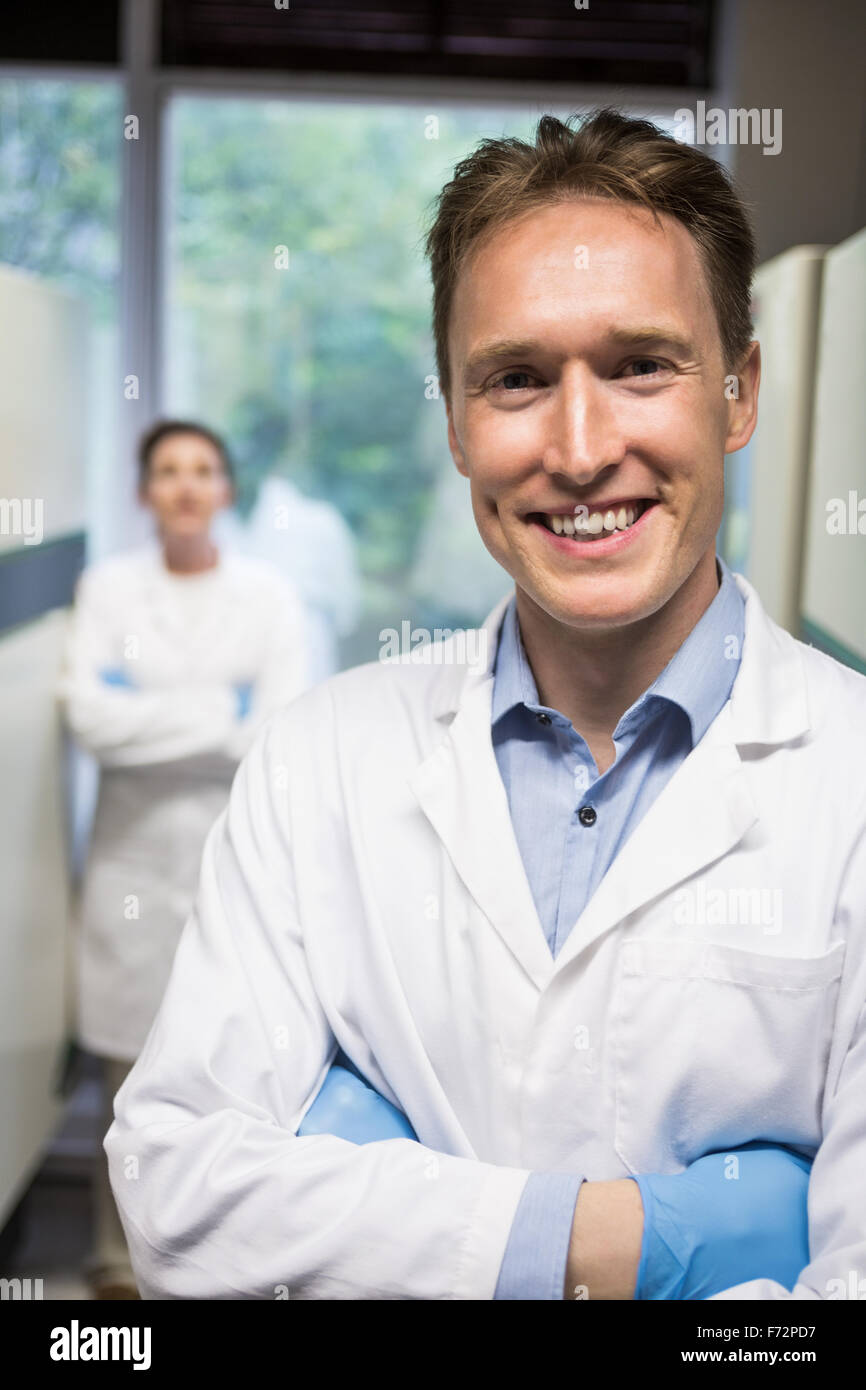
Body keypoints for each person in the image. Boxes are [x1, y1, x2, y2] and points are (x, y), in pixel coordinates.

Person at [106, 111, 866, 1300]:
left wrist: (362, 1176)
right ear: (456, 422)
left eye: (638, 365)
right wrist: (664, 1241)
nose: (576, 447)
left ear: (736, 392)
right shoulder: (322, 757)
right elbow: (177, 1199)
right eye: (515, 378)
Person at [59, 420, 310, 1298]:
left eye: (204, 470)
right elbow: (90, 719)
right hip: (131, 863)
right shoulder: (108, 588)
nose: (187, 486)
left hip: (233, 860)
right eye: (167, 472)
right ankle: (118, 1260)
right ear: (144, 492)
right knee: (127, 1080)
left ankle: (222, 1265)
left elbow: (272, 731)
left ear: (227, 488)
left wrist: (155, 714)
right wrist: (219, 709)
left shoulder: (269, 595)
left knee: (233, 1074)